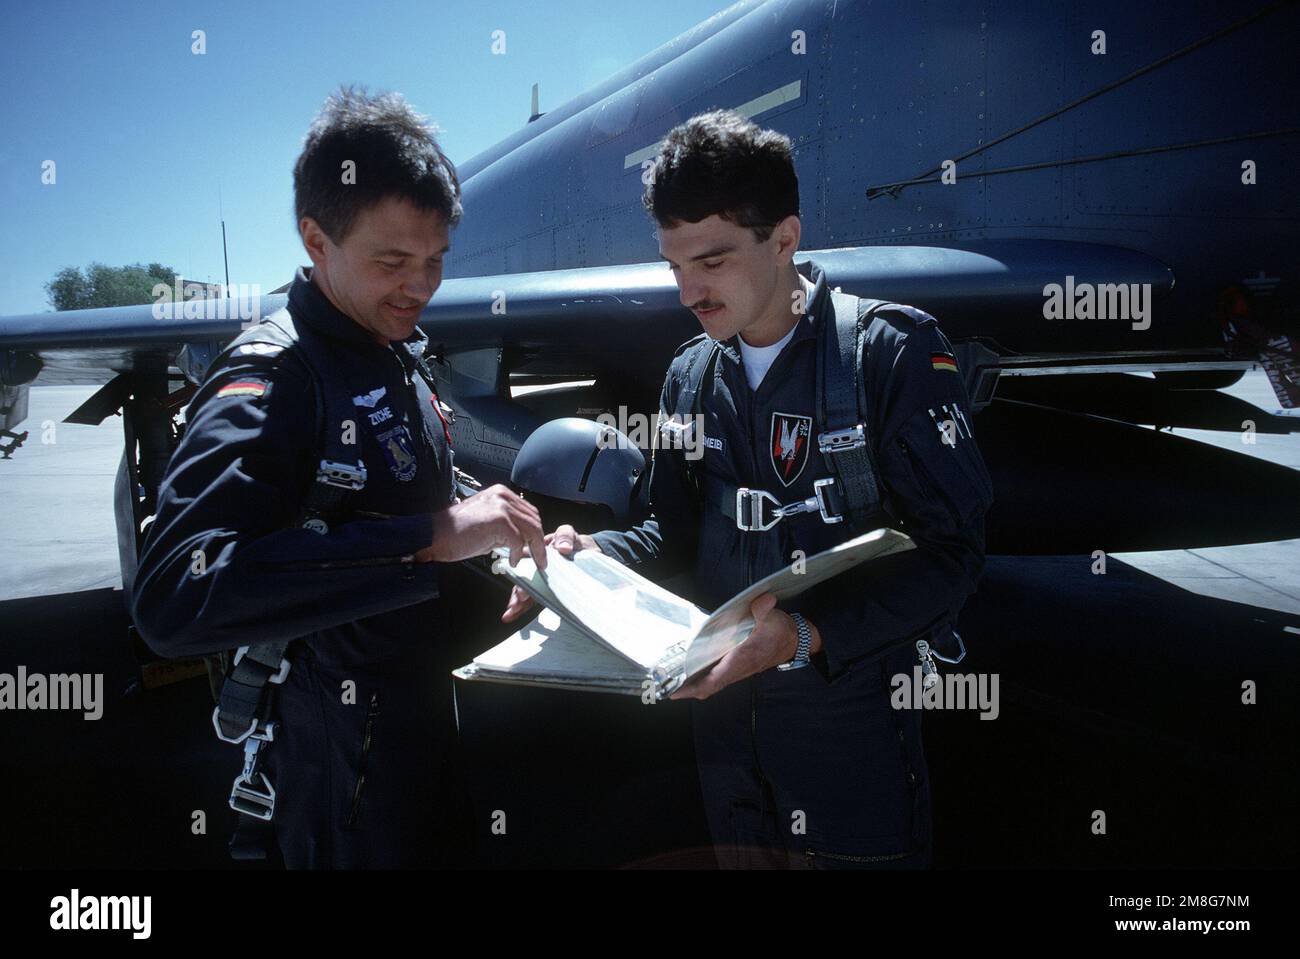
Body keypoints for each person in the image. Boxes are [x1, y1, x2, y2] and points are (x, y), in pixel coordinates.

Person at [503, 109, 994, 868]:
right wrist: (585, 556)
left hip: (849, 730)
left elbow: (953, 557)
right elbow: (671, 532)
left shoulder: (888, 355)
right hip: (724, 733)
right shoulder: (689, 377)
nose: (688, 293)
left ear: (786, 238)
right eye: (674, 266)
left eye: (713, 261)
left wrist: (803, 635)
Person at [130, 87, 546, 868]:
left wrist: (508, 556)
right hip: (340, 780)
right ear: (316, 240)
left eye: (434, 261)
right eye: (392, 261)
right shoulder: (278, 378)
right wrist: (427, 539)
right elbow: (175, 595)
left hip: (422, 737)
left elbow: (394, 507)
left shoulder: (394, 351)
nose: (420, 286)